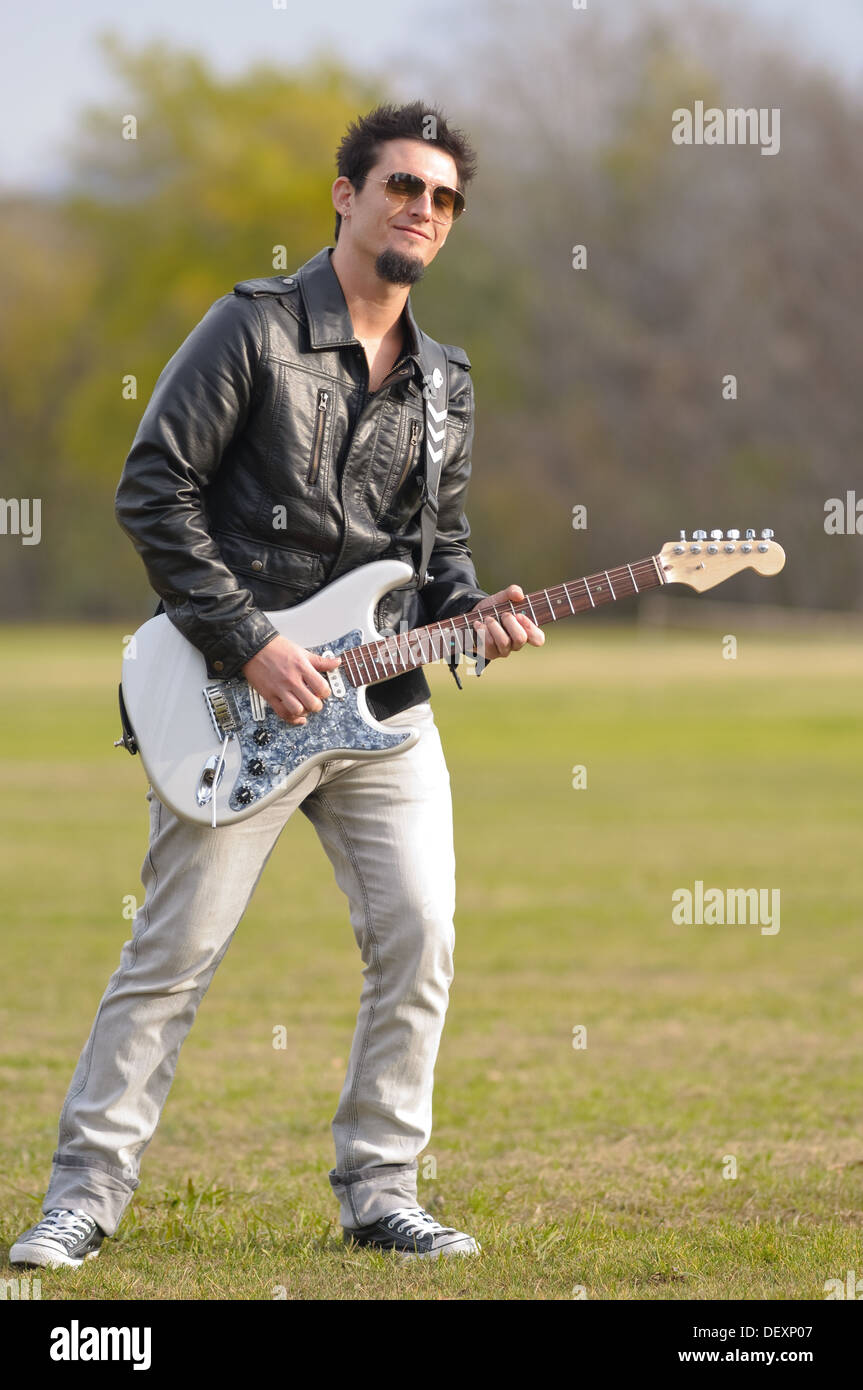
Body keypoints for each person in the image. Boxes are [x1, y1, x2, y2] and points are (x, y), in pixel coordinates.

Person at [10, 100, 544, 1270]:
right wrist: (251, 641)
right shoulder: (249, 331)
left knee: (420, 936)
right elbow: (154, 490)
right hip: (232, 699)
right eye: (401, 185)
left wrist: (474, 619)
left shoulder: (446, 384)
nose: (423, 208)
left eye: (443, 197)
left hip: (381, 713)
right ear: (346, 198)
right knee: (171, 955)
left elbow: (436, 556)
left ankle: (380, 1191)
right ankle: (83, 1198)